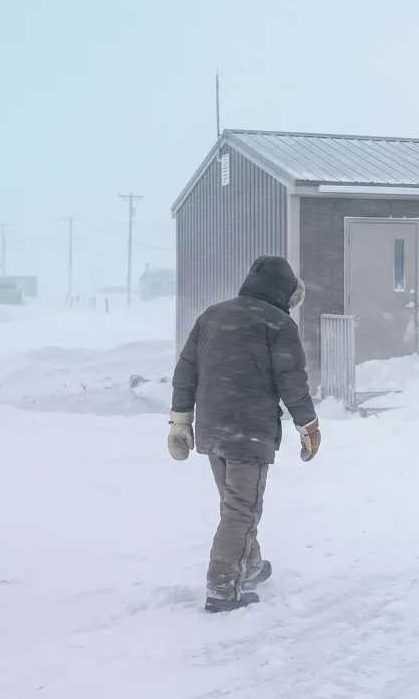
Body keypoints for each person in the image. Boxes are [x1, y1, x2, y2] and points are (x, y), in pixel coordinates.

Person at [166, 256, 322, 613]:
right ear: (284, 292)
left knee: (235, 503)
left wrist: (180, 420)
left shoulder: (212, 316)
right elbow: (292, 382)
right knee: (241, 510)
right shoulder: (277, 324)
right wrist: (308, 425)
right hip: (249, 430)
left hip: (212, 427)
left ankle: (249, 566)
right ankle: (223, 588)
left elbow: (186, 370)